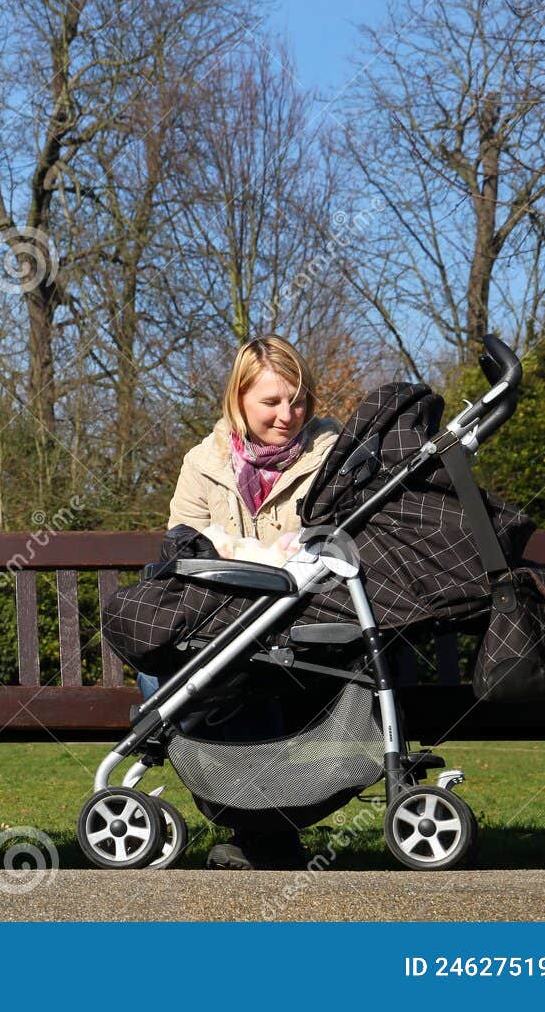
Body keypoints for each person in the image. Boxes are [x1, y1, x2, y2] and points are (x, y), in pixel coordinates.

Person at [162, 335, 340, 870]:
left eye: (299, 400)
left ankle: (261, 835)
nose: (288, 415)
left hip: (304, 631)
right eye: (271, 402)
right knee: (177, 678)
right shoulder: (203, 462)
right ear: (238, 400)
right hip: (222, 627)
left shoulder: (333, 455)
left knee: (257, 678)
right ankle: (261, 832)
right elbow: (182, 550)